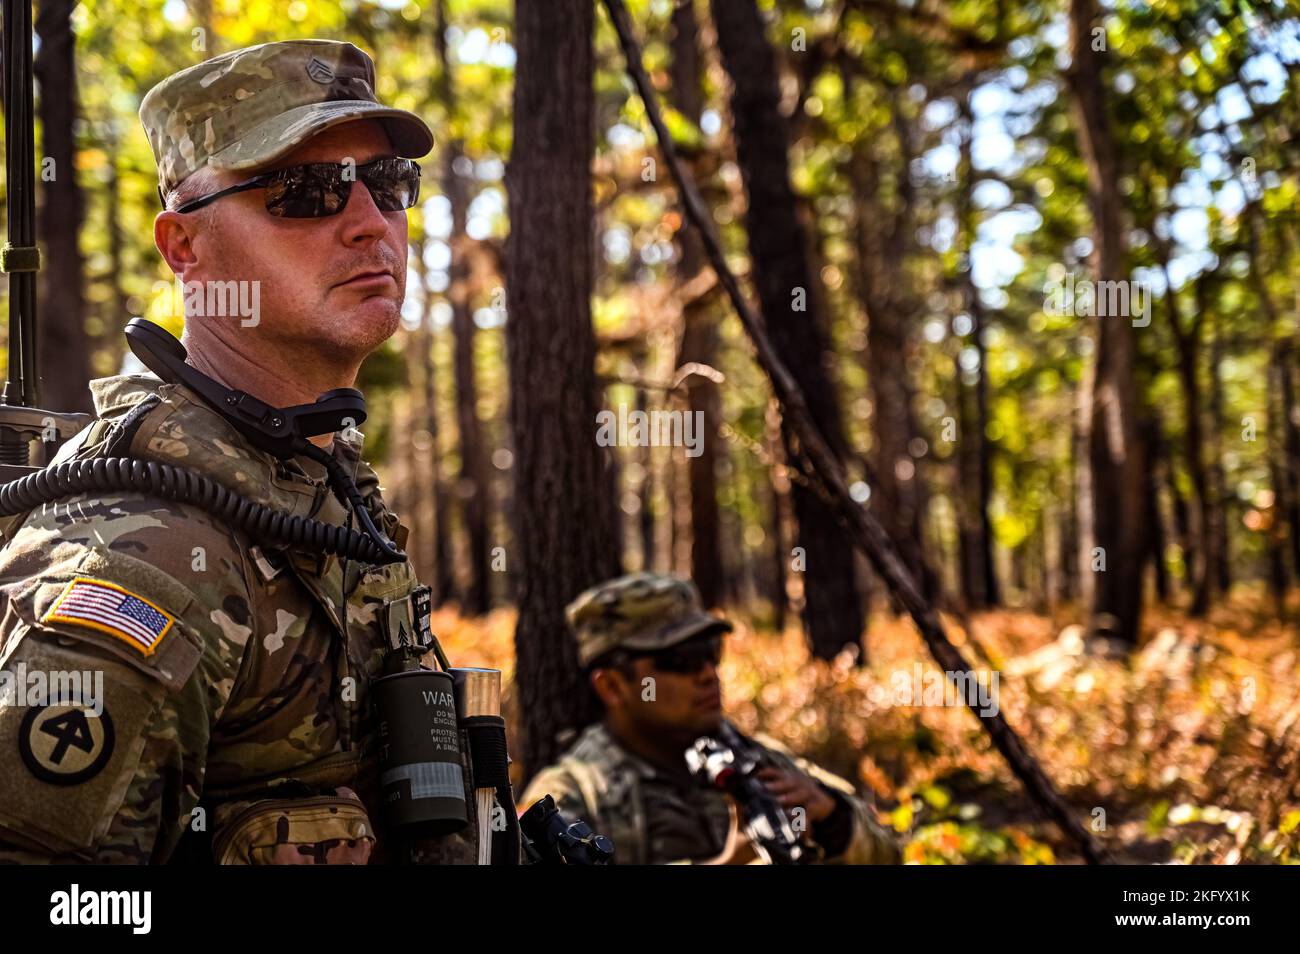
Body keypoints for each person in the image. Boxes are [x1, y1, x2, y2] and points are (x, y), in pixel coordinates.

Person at [0, 39, 475, 864]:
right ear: (185, 248)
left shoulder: (314, 480)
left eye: (388, 184)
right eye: (307, 192)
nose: (371, 223)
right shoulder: (140, 554)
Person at [519, 572, 900, 865]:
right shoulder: (568, 798)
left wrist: (835, 823)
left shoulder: (763, 763)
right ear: (613, 687)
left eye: (710, 652)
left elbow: (891, 853)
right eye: (679, 660)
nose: (706, 673)